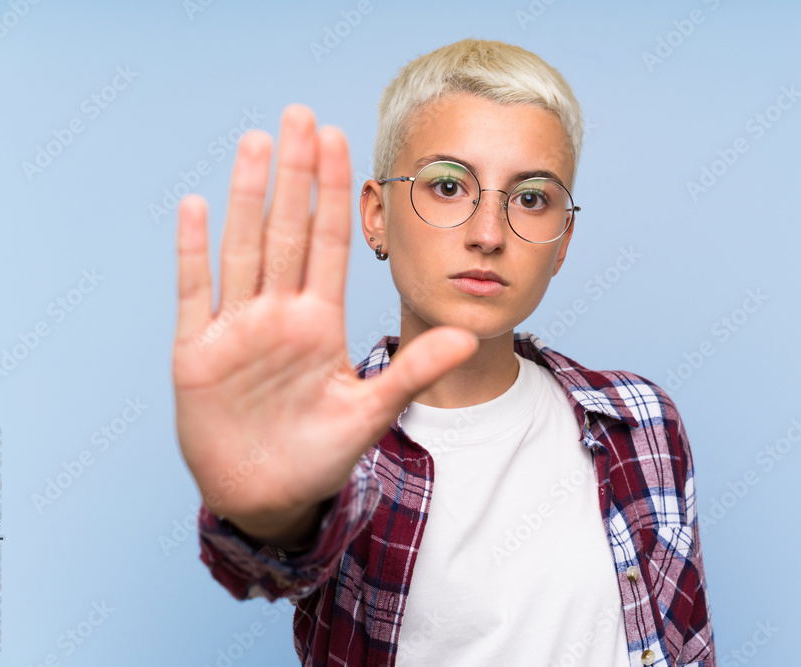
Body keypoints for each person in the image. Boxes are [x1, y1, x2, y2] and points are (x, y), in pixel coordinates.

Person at [172, 38, 715, 666]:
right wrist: (264, 510)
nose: (488, 235)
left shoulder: (640, 421)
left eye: (532, 198)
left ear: (563, 240)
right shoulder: (331, 440)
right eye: (449, 186)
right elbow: (274, 557)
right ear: (376, 215)